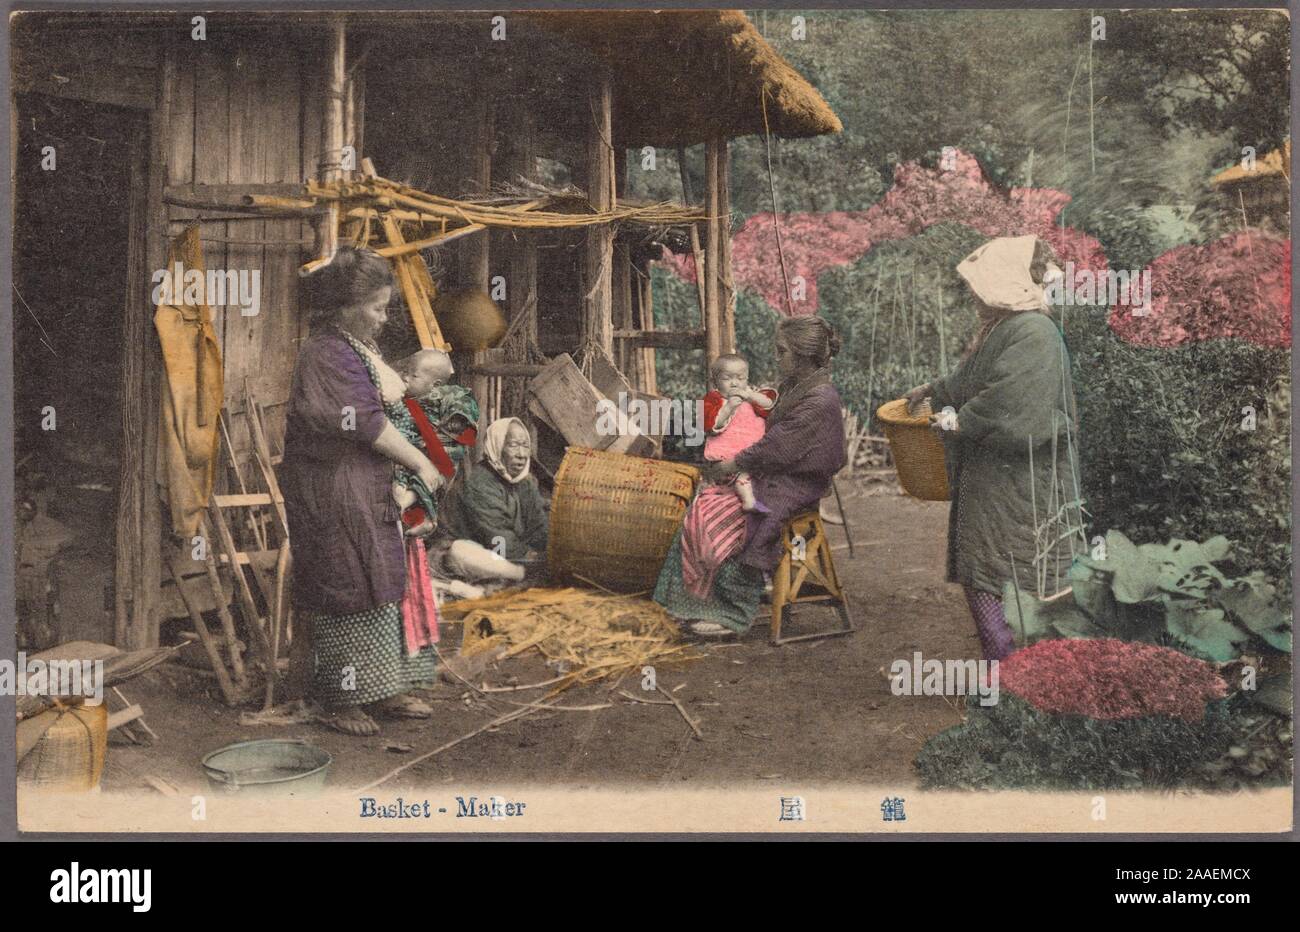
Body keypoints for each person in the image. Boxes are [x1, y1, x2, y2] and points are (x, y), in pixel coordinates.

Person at [280, 247, 442, 736]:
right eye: (377, 307)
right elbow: (365, 424)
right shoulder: (326, 353)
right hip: (332, 484)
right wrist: (419, 461)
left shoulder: (357, 347)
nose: (383, 318)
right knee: (346, 578)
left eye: (386, 306)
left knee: (381, 574)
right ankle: (340, 699)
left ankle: (382, 689)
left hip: (362, 480)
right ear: (346, 306)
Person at [903, 234, 1083, 661]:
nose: (974, 295)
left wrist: (959, 420)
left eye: (981, 286)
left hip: (1023, 485)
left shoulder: (1035, 332)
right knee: (986, 573)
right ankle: (1004, 674)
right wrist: (936, 389)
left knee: (1016, 577)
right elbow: (973, 381)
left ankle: (1020, 682)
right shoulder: (1004, 329)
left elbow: (1014, 405)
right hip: (992, 484)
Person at [654, 316, 847, 637]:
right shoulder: (794, 387)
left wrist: (731, 464)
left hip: (796, 482)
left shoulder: (819, 399)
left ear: (801, 355)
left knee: (730, 516)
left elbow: (776, 447)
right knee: (705, 504)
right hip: (775, 471)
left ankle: (732, 613)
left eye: (781, 351)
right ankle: (694, 603)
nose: (776, 357)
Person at [433, 417, 548, 585]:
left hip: (504, 552)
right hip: (461, 552)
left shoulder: (525, 482)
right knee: (461, 552)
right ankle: (520, 574)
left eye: (525, 446)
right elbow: (498, 539)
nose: (521, 455)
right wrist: (534, 559)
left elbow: (537, 525)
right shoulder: (479, 482)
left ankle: (516, 574)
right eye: (513, 445)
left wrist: (551, 548)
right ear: (498, 446)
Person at [701, 353, 777, 512]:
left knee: (755, 474)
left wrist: (751, 396)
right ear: (715, 381)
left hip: (751, 450)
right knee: (742, 475)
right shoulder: (714, 399)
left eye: (740, 378)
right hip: (728, 454)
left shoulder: (750, 394)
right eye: (727, 379)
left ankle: (755, 499)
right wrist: (728, 408)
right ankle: (748, 501)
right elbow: (711, 425)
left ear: (747, 379)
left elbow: (769, 404)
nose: (735, 383)